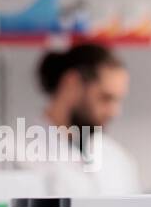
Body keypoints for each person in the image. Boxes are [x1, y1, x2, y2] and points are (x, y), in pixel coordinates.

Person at [35, 43, 141, 195]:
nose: (115, 112)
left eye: (118, 100)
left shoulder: (118, 159)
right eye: (105, 98)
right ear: (72, 84)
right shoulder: (16, 156)